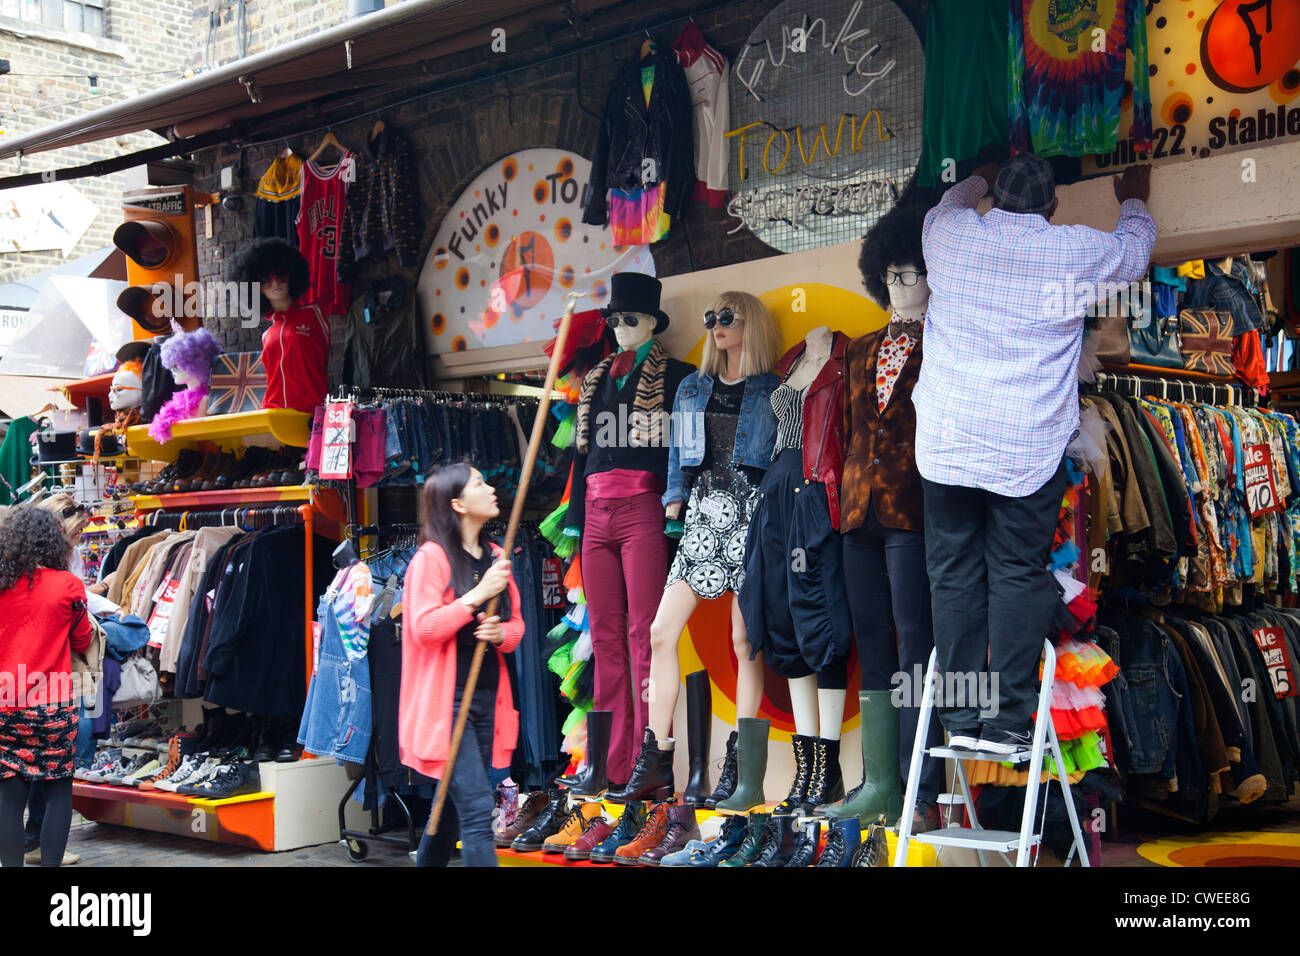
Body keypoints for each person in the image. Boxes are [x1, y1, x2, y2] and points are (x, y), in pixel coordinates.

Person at [912, 154, 1156, 754]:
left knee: (953, 576)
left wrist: (975, 178)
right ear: (1052, 208)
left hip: (947, 442)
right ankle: (1007, 721)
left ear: (996, 199)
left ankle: (962, 717)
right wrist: (1134, 196)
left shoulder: (949, 236)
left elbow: (947, 203)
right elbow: (1135, 250)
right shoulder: (1072, 251)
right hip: (1024, 446)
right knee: (1016, 574)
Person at [629, 291, 780, 805]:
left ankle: (741, 763)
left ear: (750, 324)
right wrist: (674, 501)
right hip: (702, 513)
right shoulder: (693, 387)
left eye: (727, 317)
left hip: (751, 515)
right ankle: (657, 757)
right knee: (660, 630)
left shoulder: (773, 389)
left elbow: (780, 459)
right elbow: (677, 454)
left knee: (744, 641)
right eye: (711, 317)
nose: (716, 325)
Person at [400, 463, 524, 867]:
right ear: (457, 503)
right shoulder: (431, 559)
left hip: (487, 698)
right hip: (447, 704)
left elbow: (517, 625)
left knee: (450, 808)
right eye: (479, 484)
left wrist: (499, 633)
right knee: (474, 806)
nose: (490, 489)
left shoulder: (496, 556)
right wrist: (475, 597)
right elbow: (423, 627)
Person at [0, 505, 93, 867]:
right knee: (57, 790)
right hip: (53, 704)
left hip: (6, 702)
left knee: (9, 797)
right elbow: (83, 640)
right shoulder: (68, 586)